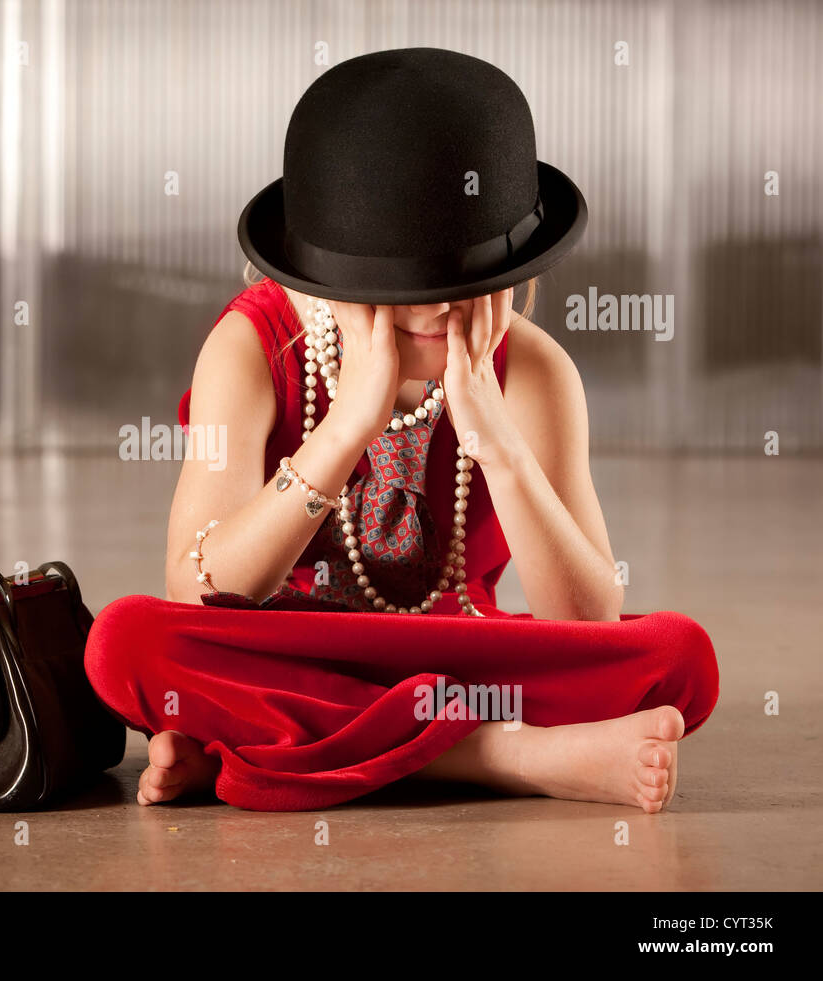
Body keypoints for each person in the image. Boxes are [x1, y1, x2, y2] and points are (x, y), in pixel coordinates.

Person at [83, 48, 718, 813]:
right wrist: (347, 424)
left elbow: (587, 626)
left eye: (463, 285)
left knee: (682, 658)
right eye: (395, 288)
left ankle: (255, 743)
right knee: (123, 643)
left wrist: (499, 444)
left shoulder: (535, 373)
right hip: (293, 649)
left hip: (459, 650)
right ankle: (505, 756)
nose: (434, 314)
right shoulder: (251, 349)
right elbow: (199, 587)